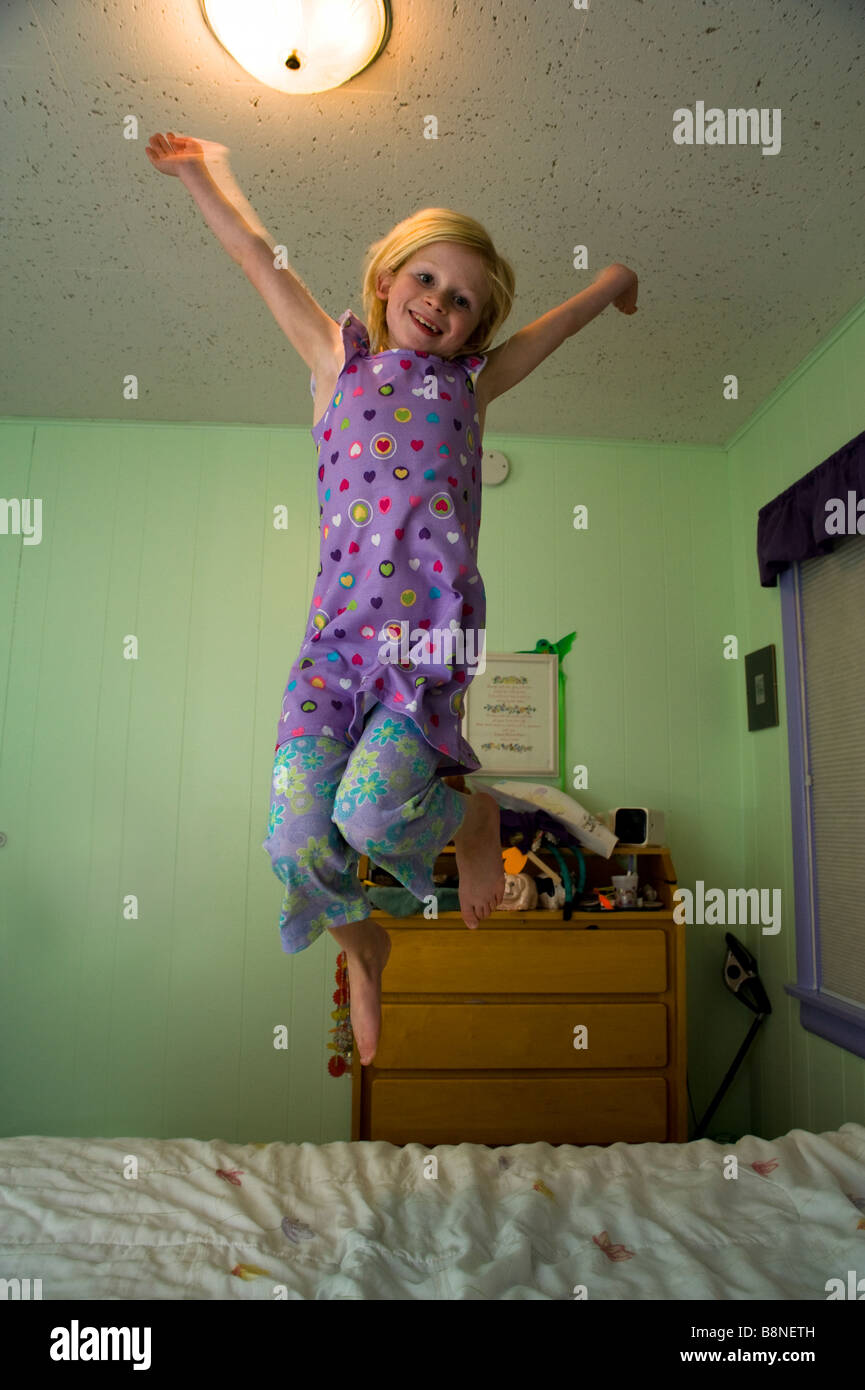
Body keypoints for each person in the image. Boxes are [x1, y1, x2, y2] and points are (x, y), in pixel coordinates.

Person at [145, 131, 639, 1065]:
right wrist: (203, 169)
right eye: (426, 280)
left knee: (369, 816)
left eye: (463, 301)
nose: (440, 305)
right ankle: (359, 943)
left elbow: (559, 328)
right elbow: (257, 255)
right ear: (386, 281)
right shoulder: (339, 364)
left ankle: (476, 817)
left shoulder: (471, 386)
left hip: (425, 643)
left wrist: (613, 279)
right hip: (334, 648)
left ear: (475, 328)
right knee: (295, 836)